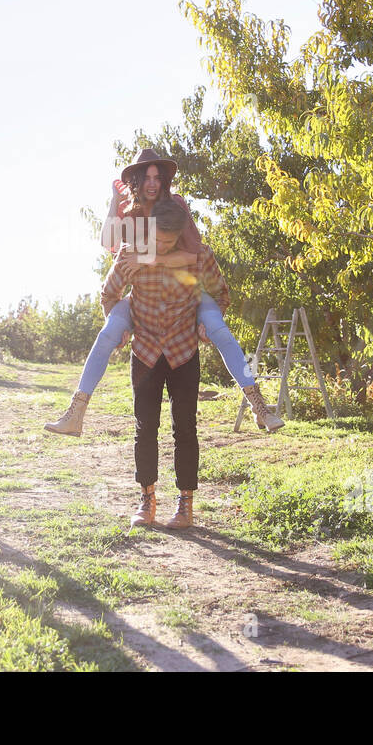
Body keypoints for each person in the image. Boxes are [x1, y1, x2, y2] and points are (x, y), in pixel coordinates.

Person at [44, 148, 283, 436]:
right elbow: (109, 245)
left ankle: (259, 407)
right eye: (146, 176)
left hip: (185, 292)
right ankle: (75, 414)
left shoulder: (177, 204)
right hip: (144, 294)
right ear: (136, 180)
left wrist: (149, 257)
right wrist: (114, 203)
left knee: (219, 328)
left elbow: (195, 252)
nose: (153, 183)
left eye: (158, 177)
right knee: (108, 332)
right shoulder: (129, 212)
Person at [101, 199, 227, 529]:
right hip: (145, 351)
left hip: (183, 350)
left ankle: (185, 505)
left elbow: (221, 293)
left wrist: (207, 324)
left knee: (185, 428)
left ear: (180, 234)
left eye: (169, 242)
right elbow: (109, 293)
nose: (162, 247)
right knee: (145, 428)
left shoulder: (199, 256)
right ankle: (147, 499)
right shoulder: (130, 253)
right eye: (157, 240)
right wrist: (121, 326)